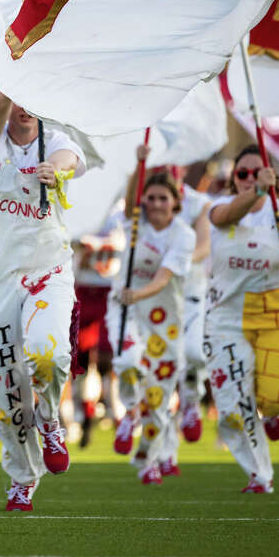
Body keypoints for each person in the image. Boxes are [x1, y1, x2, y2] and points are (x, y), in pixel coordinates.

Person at [0, 91, 83, 510]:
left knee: (46, 354)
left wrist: (58, 171)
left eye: (34, 94)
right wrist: (8, 83)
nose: (25, 104)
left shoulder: (55, 138)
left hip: (48, 271)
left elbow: (70, 158)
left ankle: (50, 418)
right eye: (19, 96)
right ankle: (22, 477)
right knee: (8, 388)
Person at [206, 146, 279, 493]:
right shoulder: (220, 208)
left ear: (272, 176)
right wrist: (258, 192)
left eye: (256, 173)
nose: (248, 179)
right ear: (233, 178)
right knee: (234, 403)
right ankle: (259, 474)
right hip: (226, 318)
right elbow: (226, 218)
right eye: (242, 174)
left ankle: (278, 411)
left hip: (275, 313)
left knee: (276, 399)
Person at [108, 161, 196, 486]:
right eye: (152, 198)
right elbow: (130, 202)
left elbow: (163, 278)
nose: (157, 204)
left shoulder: (183, 235)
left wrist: (139, 292)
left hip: (165, 318)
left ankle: (148, 459)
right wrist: (136, 166)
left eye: (163, 198)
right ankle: (129, 413)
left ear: (175, 202)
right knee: (129, 362)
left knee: (159, 398)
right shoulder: (134, 223)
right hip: (126, 309)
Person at [71, 212, 124, 448]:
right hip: (82, 290)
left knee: (106, 361)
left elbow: (120, 244)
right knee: (80, 363)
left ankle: (116, 415)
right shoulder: (84, 208)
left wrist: (90, 243)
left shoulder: (120, 216)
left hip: (108, 293)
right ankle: (86, 416)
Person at [174, 173, 213, 446]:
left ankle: (191, 396)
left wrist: (173, 261)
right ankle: (160, 452)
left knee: (194, 352)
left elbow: (203, 247)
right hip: (153, 292)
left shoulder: (199, 203)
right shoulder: (144, 197)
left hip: (191, 290)